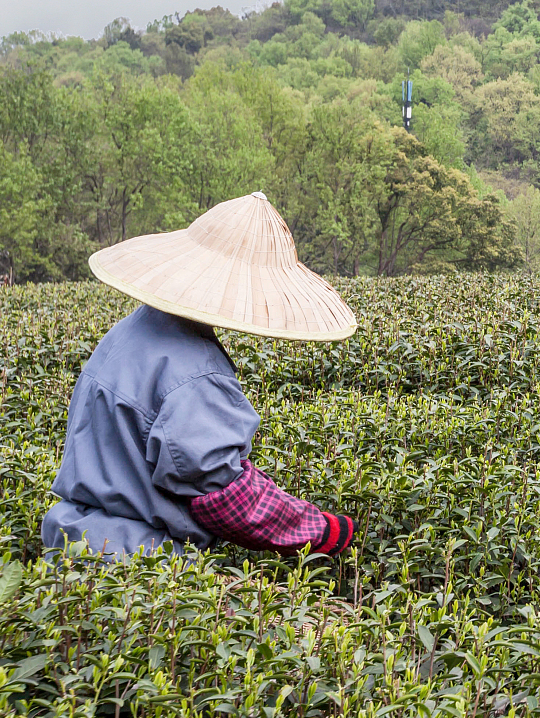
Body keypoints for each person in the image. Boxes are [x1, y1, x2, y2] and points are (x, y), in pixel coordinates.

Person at [42, 191, 361, 559]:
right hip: (136, 566)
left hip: (71, 542)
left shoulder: (130, 331)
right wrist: (322, 530)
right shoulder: (195, 372)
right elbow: (223, 494)